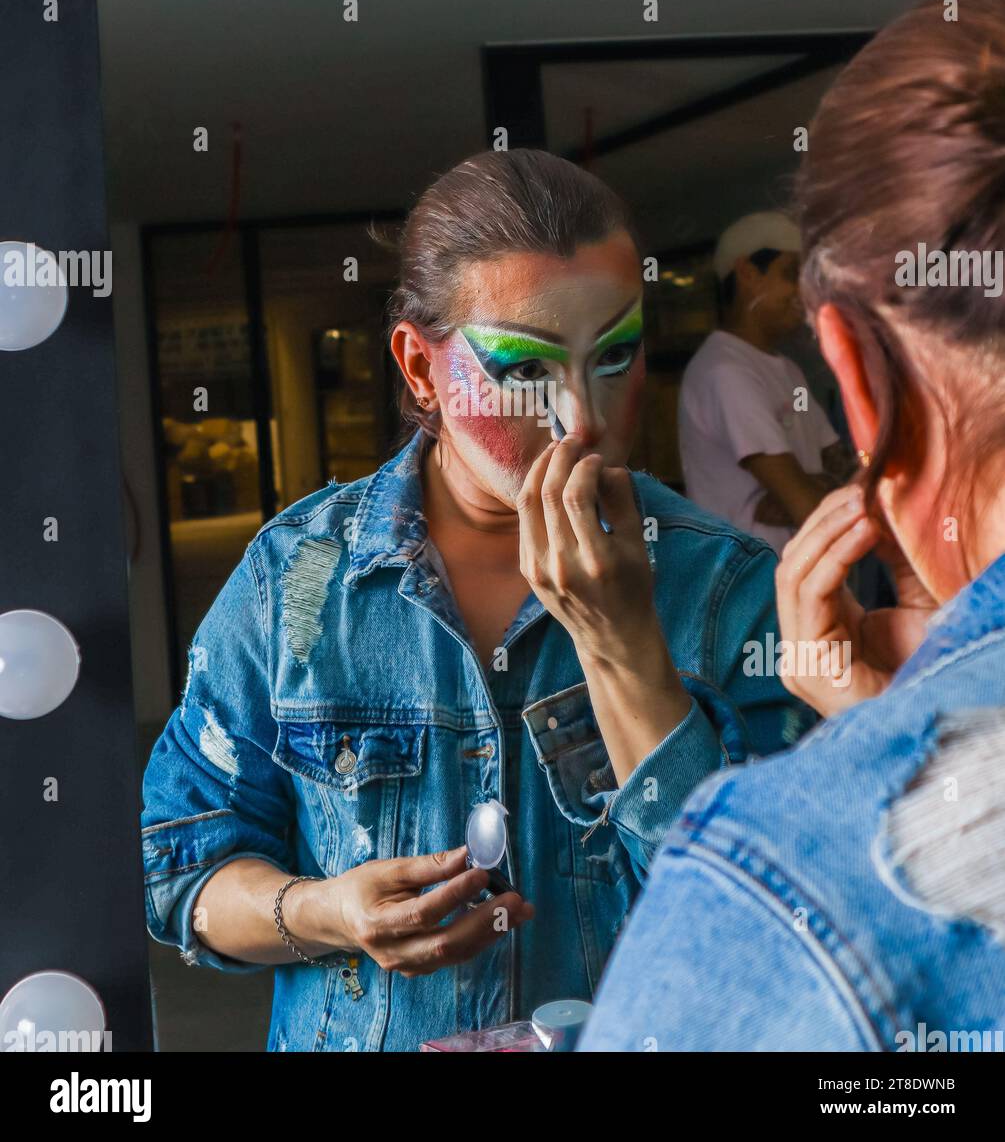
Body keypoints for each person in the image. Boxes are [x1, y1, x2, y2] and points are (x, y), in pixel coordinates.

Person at [141, 148, 813, 1052]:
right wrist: (325, 912)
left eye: (614, 355)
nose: (583, 417)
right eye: (526, 370)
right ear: (420, 370)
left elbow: (770, 923)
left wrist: (625, 649)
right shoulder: (296, 580)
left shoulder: (724, 585)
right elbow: (178, 863)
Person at [581, 0, 1005, 1052]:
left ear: (855, 372)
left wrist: (880, 750)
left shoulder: (779, 883)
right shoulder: (732, 368)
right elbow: (789, 476)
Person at [679, 210, 853, 555]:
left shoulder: (787, 370)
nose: (802, 293)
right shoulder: (725, 371)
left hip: (797, 582)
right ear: (747, 273)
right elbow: (806, 505)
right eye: (790, 274)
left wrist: (820, 487)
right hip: (755, 591)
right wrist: (809, 491)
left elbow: (842, 465)